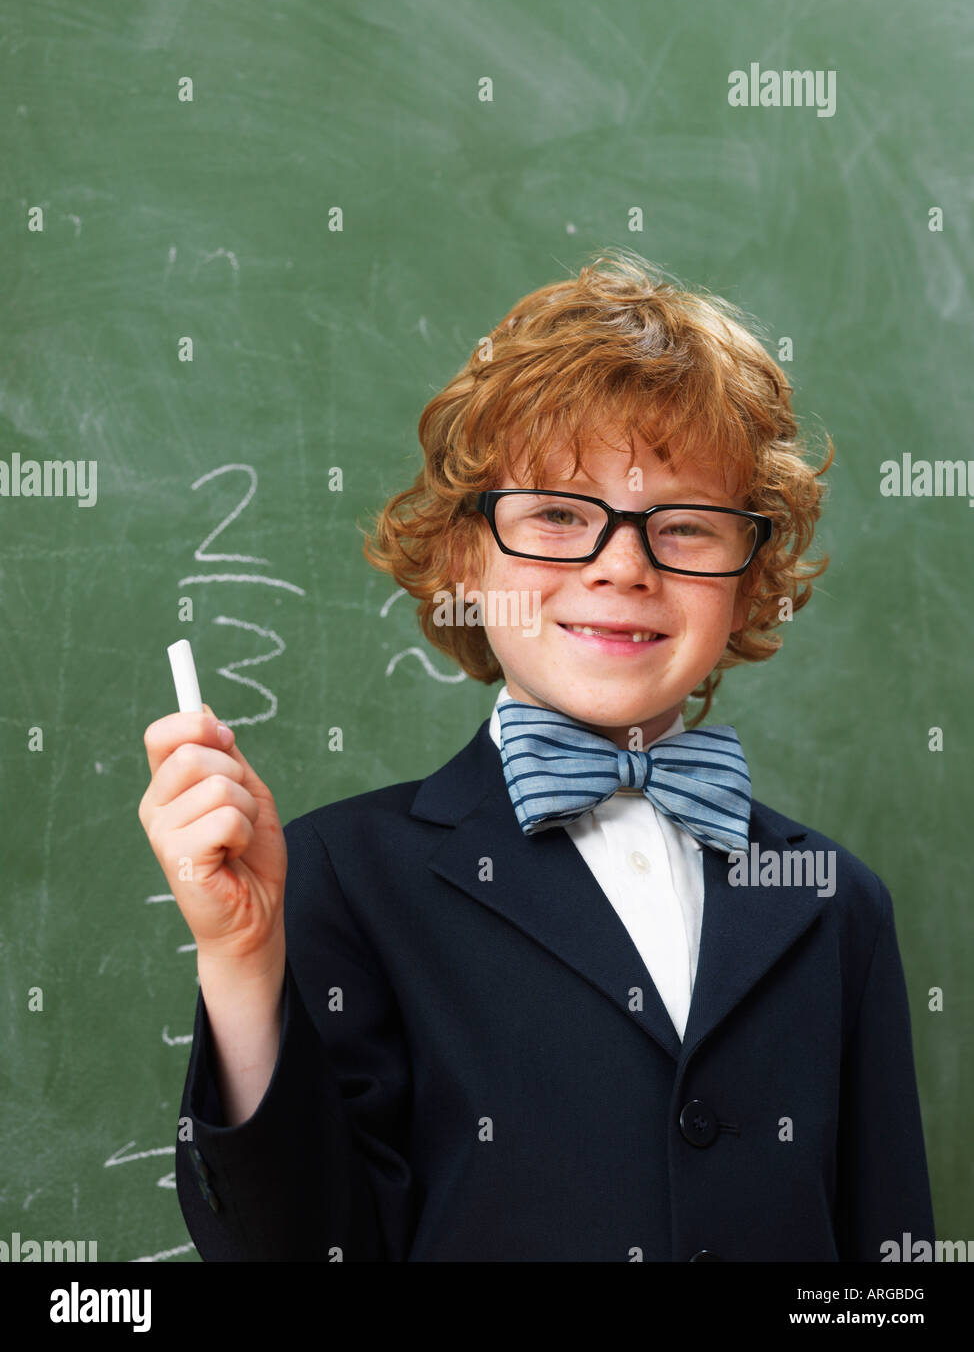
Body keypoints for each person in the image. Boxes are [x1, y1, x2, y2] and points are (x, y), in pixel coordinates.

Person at [139, 250, 935, 1261]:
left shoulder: (836, 901)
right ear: (467, 558)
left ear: (749, 575)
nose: (621, 564)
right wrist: (243, 965)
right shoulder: (340, 876)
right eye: (558, 515)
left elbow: (888, 1261)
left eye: (683, 527)